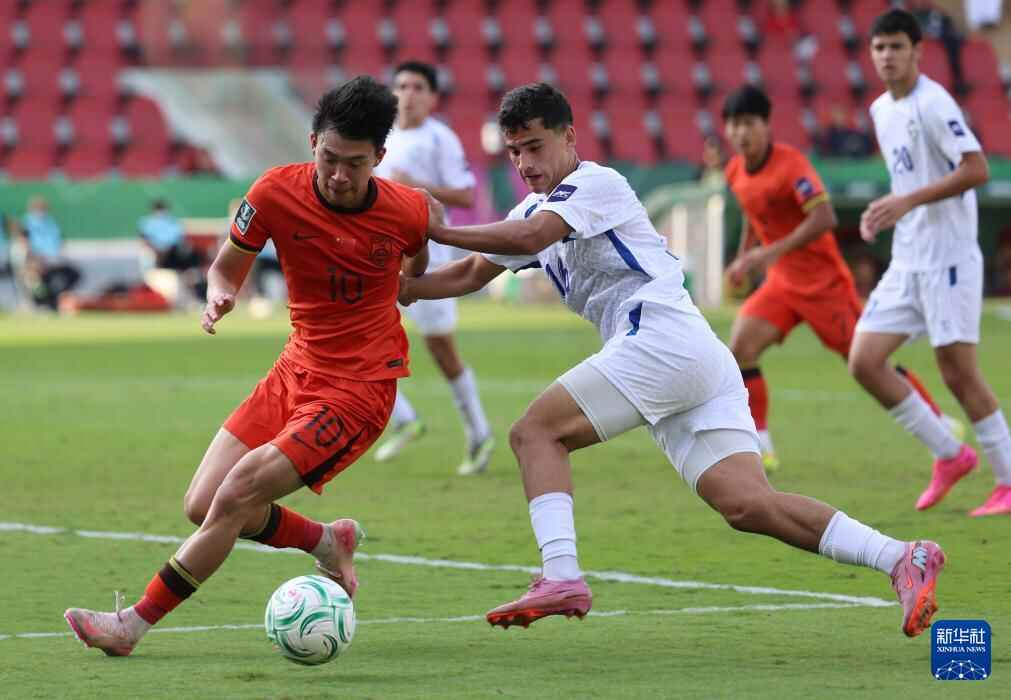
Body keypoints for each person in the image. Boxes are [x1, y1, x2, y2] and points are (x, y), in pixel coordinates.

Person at [399, 82, 945, 638]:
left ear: (569, 137)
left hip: (659, 338)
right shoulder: (531, 209)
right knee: (748, 505)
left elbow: (532, 236)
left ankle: (561, 575)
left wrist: (438, 228)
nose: (524, 163)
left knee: (535, 433)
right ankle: (902, 556)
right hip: (690, 352)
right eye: (515, 152)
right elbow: (471, 272)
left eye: (535, 146)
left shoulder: (594, 184)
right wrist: (405, 287)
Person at [63, 76, 434, 656]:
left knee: (235, 496)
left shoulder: (407, 209)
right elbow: (225, 266)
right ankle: (326, 540)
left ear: (379, 158)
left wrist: (409, 284)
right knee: (201, 504)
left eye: (355, 164)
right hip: (295, 368)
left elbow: (417, 265)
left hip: (358, 390)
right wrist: (220, 293)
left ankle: (130, 626)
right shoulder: (273, 192)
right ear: (312, 143)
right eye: (330, 158)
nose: (339, 175)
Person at [722, 84, 954, 471]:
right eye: (734, 124)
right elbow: (753, 212)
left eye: (748, 123)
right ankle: (760, 445)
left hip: (824, 285)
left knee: (868, 361)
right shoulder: (734, 171)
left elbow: (824, 217)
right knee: (741, 348)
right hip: (781, 284)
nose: (740, 132)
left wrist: (772, 251)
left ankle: (938, 422)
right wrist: (745, 258)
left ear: (766, 124)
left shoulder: (791, 165)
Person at [850, 9, 1011, 517]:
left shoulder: (935, 103)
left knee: (958, 373)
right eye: (880, 48)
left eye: (897, 46)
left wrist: (908, 201)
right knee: (864, 360)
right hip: (908, 259)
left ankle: (1008, 480)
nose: (887, 56)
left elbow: (976, 169)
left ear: (917, 50)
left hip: (949, 259)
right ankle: (949, 453)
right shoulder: (881, 110)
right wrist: (886, 210)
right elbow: (908, 181)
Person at [372, 60, 495, 476]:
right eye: (402, 86)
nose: (408, 94)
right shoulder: (382, 137)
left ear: (432, 97)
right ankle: (403, 418)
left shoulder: (440, 138)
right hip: (381, 254)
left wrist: (416, 188)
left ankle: (479, 433)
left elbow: (465, 194)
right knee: (358, 335)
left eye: (417, 87)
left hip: (427, 258)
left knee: (441, 349)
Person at [17, 195, 80, 310]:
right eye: (38, 208)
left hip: (53, 260)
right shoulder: (27, 222)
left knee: (73, 275)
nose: (41, 212)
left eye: (42, 208)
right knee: (33, 280)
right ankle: (37, 302)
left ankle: (56, 301)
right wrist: (34, 259)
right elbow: (24, 241)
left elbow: (59, 241)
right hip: (36, 260)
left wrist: (59, 256)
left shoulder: (51, 222)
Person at [137, 198, 207, 301]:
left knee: (192, 261)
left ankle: (197, 291)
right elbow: (145, 241)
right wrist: (159, 253)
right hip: (159, 257)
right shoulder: (148, 223)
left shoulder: (173, 222)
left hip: (173, 255)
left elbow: (180, 241)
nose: (161, 213)